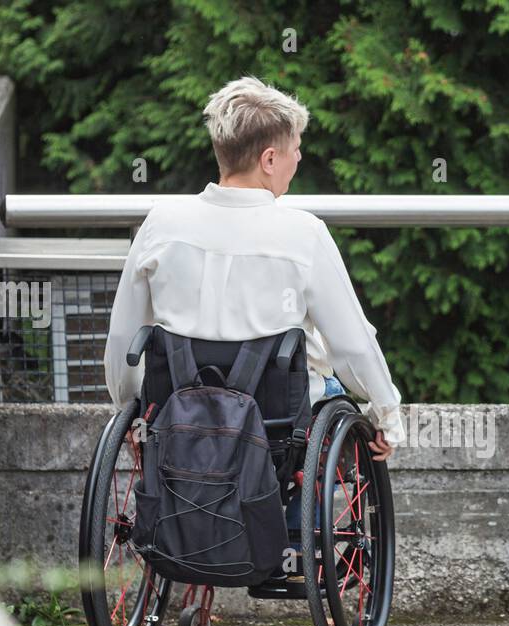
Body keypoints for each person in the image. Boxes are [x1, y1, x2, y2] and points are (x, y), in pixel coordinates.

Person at [103, 75, 406, 535]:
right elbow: (352, 345)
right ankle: (292, 530)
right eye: (295, 148)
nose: (299, 158)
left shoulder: (161, 224)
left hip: (176, 413)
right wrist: (386, 412)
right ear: (269, 159)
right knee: (335, 397)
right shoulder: (304, 233)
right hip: (276, 424)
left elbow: (124, 335)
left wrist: (129, 407)